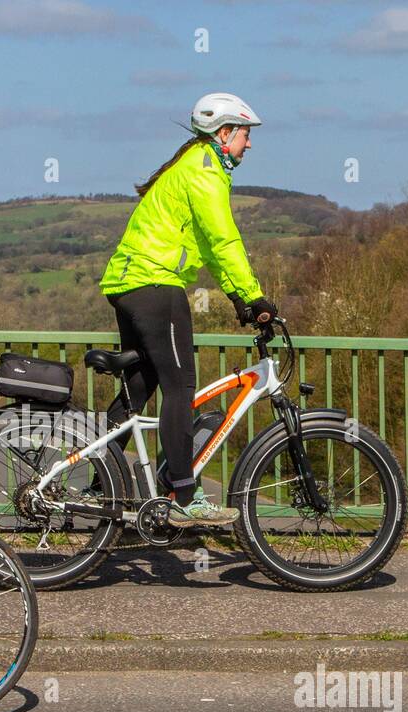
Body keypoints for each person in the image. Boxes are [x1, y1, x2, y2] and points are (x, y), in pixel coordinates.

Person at [100, 92, 279, 527]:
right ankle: (185, 495)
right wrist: (253, 297)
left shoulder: (192, 165)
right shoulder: (204, 171)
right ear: (224, 134)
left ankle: (99, 485)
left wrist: (238, 298)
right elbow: (224, 240)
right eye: (245, 135)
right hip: (155, 285)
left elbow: (214, 251)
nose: (249, 145)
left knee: (139, 388)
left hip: (128, 285)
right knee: (179, 388)